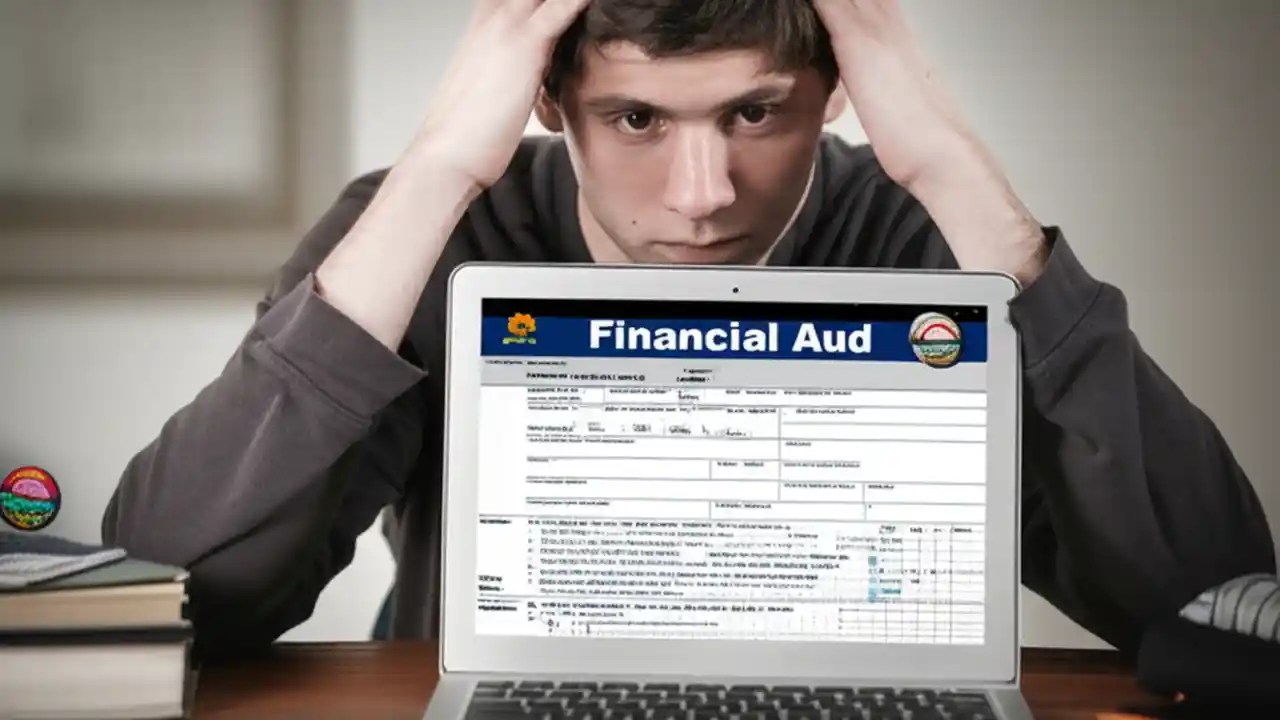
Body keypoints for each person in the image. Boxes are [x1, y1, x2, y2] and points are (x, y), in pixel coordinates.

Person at [102, 0, 1274, 660]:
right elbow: (181, 596)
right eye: (635, 119)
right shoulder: (419, 235)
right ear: (548, 102)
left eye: (755, 112)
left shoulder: (923, 237)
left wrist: (954, 175)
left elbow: (1212, 605)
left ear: (834, 90)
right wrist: (439, 167)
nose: (702, 195)